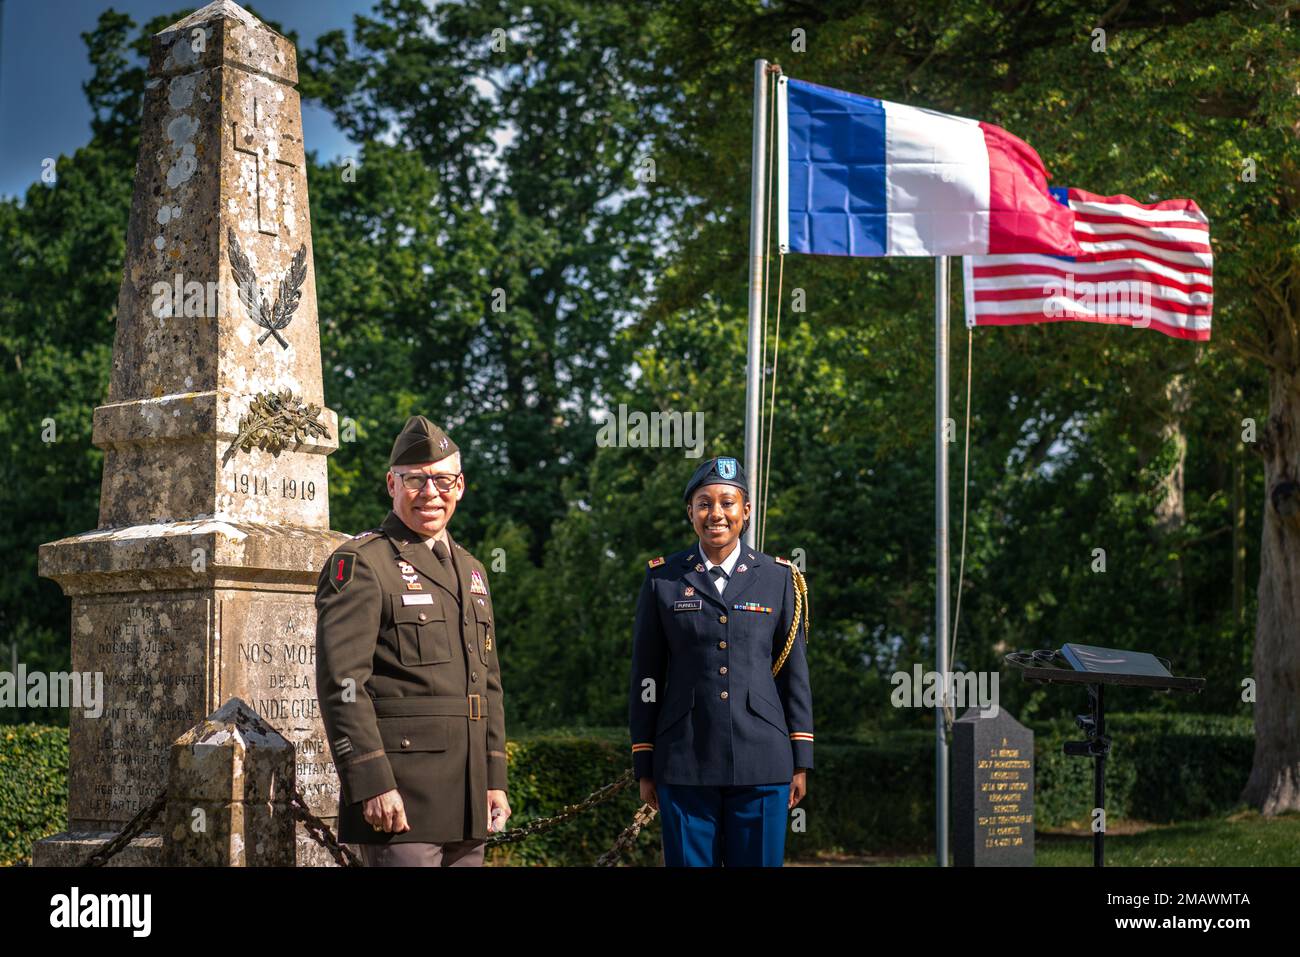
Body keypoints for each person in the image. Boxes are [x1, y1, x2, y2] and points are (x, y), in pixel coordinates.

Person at [315, 415, 510, 866]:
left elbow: (489, 684)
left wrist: (493, 776)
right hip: (399, 800)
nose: (431, 494)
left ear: (460, 486)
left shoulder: (473, 569)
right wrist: (372, 783)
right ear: (391, 484)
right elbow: (343, 684)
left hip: (469, 798)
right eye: (415, 480)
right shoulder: (361, 563)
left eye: (443, 481)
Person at [628, 455, 813, 866]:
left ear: (745, 512)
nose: (717, 514)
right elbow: (646, 674)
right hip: (684, 760)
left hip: (763, 762)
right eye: (704, 503)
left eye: (728, 503)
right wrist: (645, 759)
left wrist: (800, 761)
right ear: (690, 513)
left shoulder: (779, 577)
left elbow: (794, 675)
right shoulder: (663, 578)